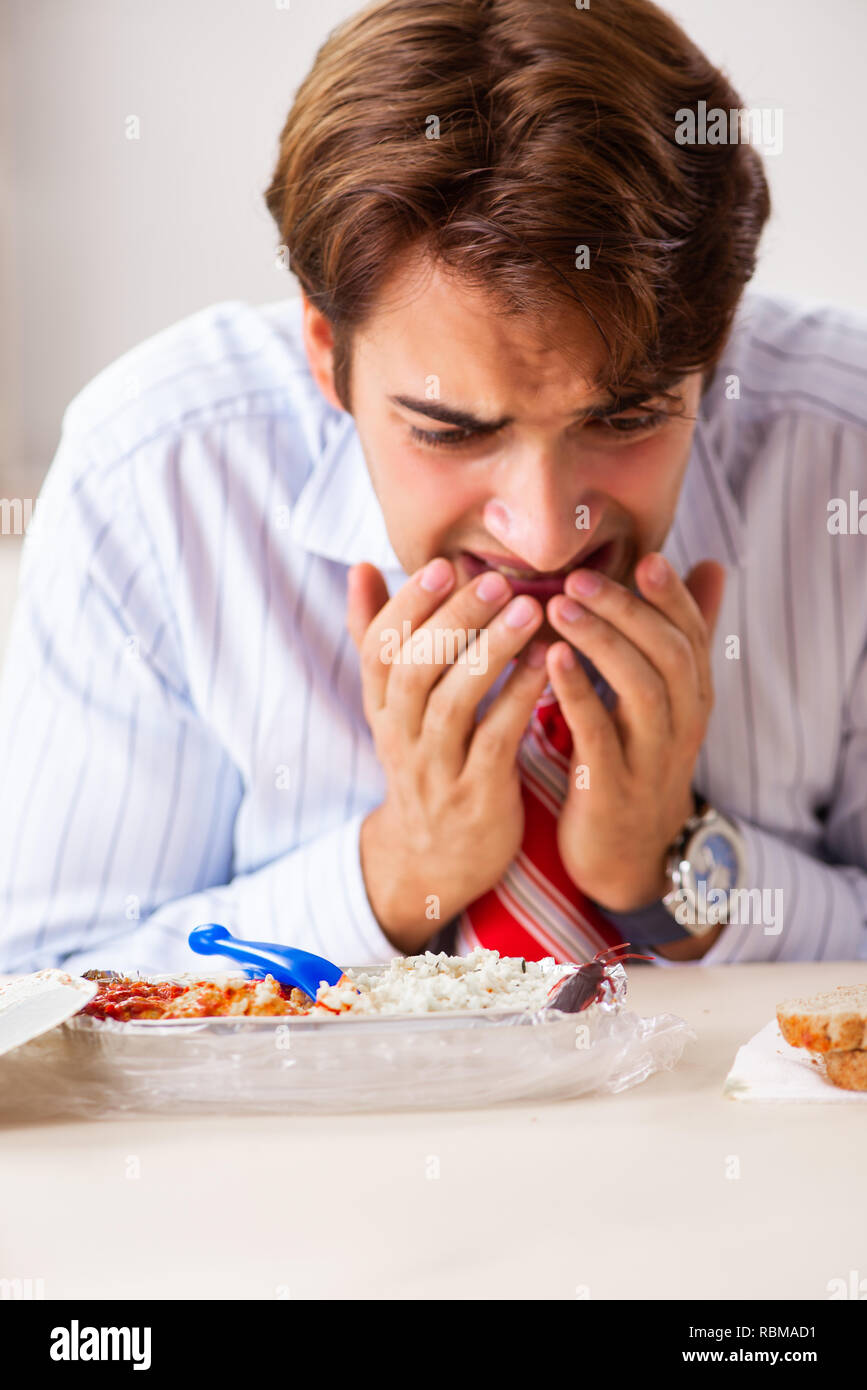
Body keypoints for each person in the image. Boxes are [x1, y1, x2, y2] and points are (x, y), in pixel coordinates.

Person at [1, 0, 865, 977]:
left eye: (625, 418)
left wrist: (675, 877)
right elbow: (36, 1005)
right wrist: (396, 871)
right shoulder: (156, 477)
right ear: (328, 352)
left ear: (715, 347)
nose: (545, 535)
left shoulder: (848, 454)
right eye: (452, 430)